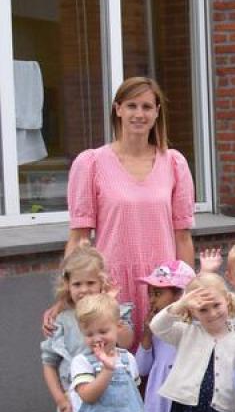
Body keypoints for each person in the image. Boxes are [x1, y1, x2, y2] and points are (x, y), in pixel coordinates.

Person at [65, 77, 196, 343]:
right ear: (118, 109)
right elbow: (79, 238)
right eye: (132, 105)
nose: (139, 114)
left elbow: (182, 237)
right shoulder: (91, 163)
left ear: (157, 112)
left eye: (147, 107)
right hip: (110, 287)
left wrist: (187, 292)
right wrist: (67, 297)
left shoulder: (174, 163)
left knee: (161, 370)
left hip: (162, 288)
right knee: (114, 372)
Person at [42, 247, 131, 412]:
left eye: (91, 283)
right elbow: (48, 364)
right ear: (68, 286)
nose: (84, 289)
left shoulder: (115, 310)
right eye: (77, 284)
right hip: (74, 402)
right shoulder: (62, 320)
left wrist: (112, 310)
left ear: (102, 283)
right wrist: (61, 401)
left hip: (111, 401)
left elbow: (127, 342)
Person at [152, 274, 235, 412]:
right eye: (203, 309)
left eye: (216, 306)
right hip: (188, 408)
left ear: (227, 301)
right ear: (193, 312)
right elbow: (157, 326)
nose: (212, 313)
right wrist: (182, 303)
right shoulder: (186, 332)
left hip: (220, 411)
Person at [136, 259, 192, 412]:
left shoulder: (192, 324)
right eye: (150, 293)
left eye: (158, 293)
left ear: (180, 294)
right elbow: (141, 367)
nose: (151, 300)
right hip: (161, 398)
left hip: (186, 398)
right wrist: (147, 337)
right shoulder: (156, 326)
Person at [66, 293, 143, 412]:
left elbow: (133, 395)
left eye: (103, 331)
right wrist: (107, 370)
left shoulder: (128, 359)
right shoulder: (82, 362)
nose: (97, 338)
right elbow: (88, 395)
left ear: (118, 327)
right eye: (89, 334)